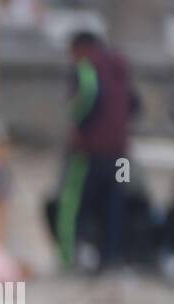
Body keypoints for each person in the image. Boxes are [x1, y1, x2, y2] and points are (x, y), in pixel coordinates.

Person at [54, 30, 137, 272]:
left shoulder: (87, 66)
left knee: (74, 202)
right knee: (113, 202)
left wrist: (77, 123)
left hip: (89, 151)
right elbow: (134, 103)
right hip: (120, 153)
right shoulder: (119, 67)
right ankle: (111, 256)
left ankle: (69, 256)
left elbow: (89, 95)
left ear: (82, 47)